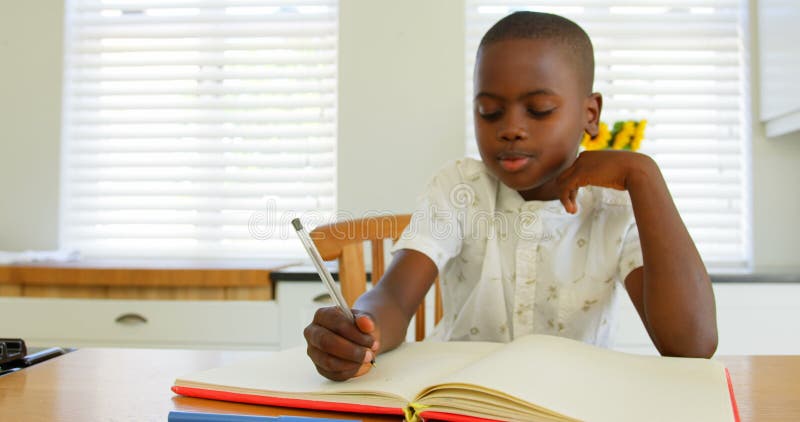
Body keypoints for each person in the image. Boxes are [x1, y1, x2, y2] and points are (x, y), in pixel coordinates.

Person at [303, 11, 718, 382]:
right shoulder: (459, 187)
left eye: (538, 110)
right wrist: (360, 327)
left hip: (571, 402)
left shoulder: (615, 205)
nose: (511, 129)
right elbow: (393, 297)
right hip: (461, 395)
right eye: (489, 112)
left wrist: (644, 175)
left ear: (589, 114)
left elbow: (691, 345)